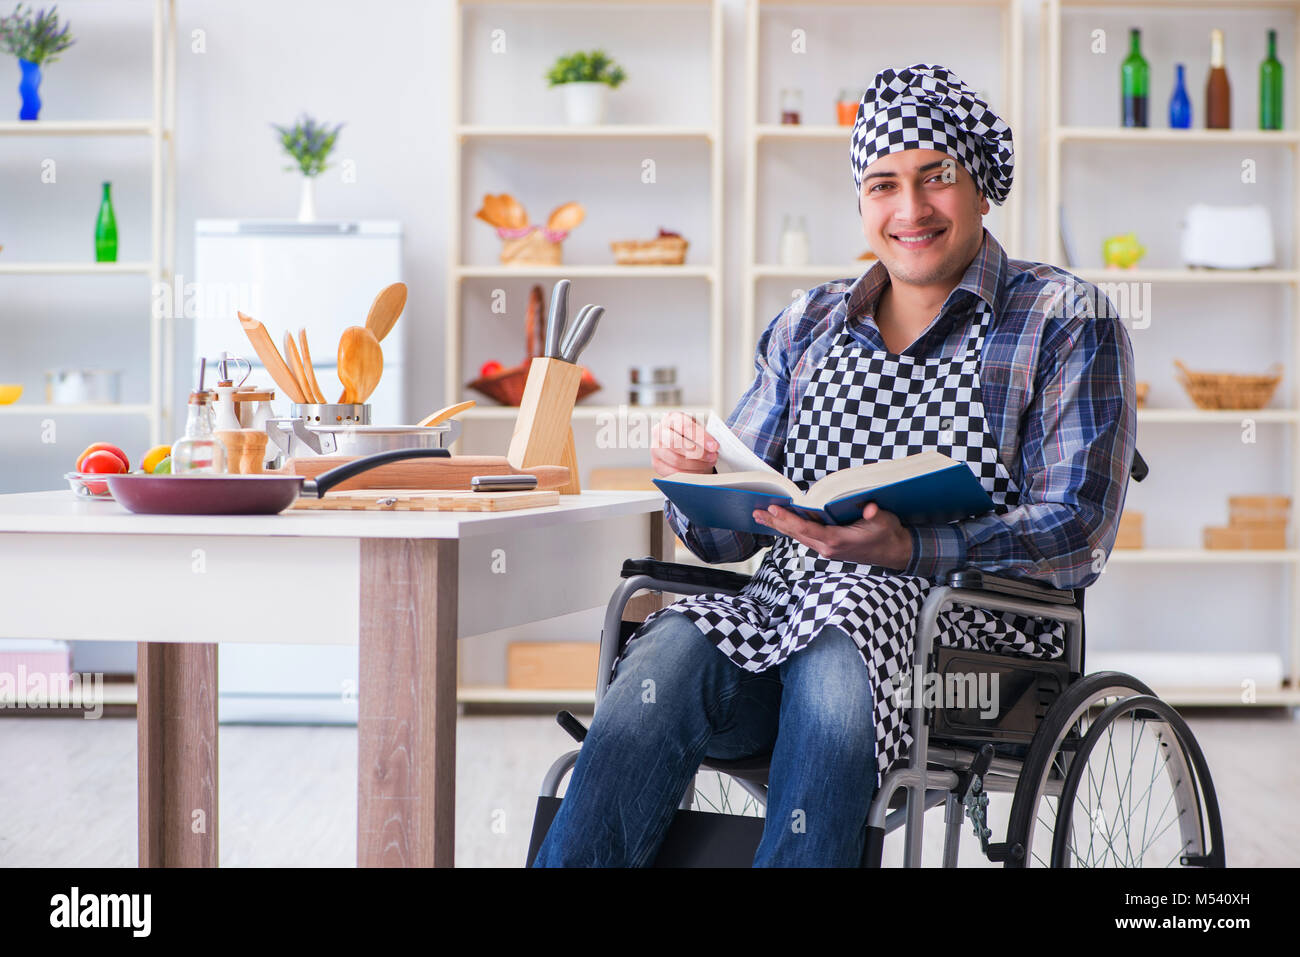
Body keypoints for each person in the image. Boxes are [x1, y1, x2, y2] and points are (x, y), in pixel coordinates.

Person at [533, 63, 1136, 868]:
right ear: (861, 203)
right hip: (781, 624)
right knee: (671, 649)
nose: (910, 209)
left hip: (967, 661)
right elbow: (723, 543)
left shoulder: (1063, 319)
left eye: (937, 179)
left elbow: (1076, 533)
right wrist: (701, 481)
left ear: (982, 187)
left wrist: (906, 550)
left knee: (841, 638)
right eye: (884, 185)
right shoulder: (807, 322)